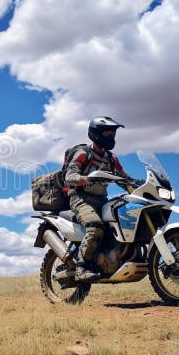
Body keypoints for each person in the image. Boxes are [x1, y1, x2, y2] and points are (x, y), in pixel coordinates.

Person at [64, 116, 132, 281]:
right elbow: (69, 175)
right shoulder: (83, 153)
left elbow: (124, 178)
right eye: (108, 134)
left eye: (113, 135)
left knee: (118, 228)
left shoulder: (111, 158)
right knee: (95, 227)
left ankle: (108, 262)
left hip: (101, 199)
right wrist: (87, 179)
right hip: (80, 197)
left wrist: (138, 186)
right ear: (96, 134)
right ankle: (81, 268)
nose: (111, 138)